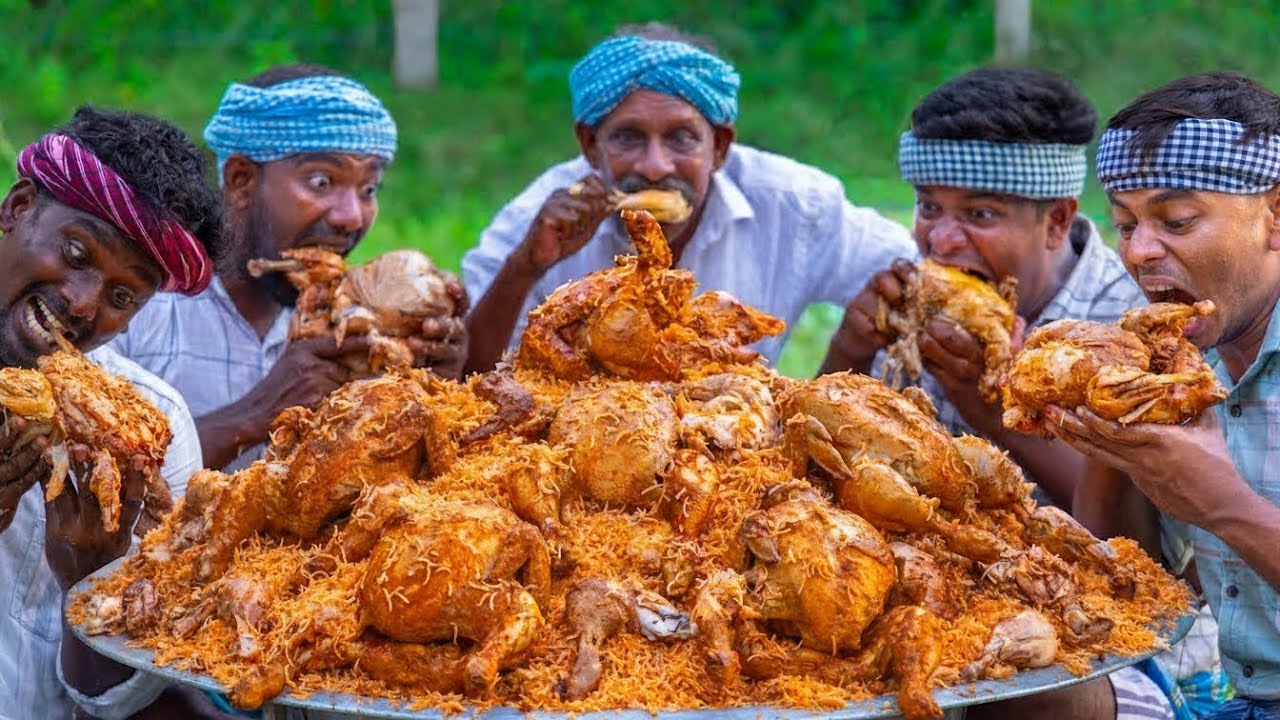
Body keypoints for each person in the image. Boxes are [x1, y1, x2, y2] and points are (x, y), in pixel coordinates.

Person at [461, 23, 914, 374]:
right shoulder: (537, 221)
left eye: (681, 138)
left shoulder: (794, 206)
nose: (655, 166)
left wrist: (852, 345)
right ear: (590, 146)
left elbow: (913, 270)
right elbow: (466, 379)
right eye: (628, 137)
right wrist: (525, 267)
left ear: (719, 147)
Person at [1046, 71, 1280, 720]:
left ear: (1275, 216)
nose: (1141, 252)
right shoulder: (1184, 362)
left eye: (1177, 220)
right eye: (1125, 225)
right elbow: (1127, 585)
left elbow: (1221, 507)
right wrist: (1109, 436)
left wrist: (1224, 503)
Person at [111, 64, 468, 471]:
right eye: (322, 182)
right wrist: (257, 413)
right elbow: (91, 479)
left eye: (368, 189)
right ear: (241, 180)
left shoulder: (361, 327)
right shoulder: (138, 306)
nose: (352, 216)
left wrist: (434, 393)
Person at [822, 66, 1146, 509]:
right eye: (929, 207)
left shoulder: (1125, 325)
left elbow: (1136, 525)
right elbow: (822, 457)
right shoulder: (907, 297)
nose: (941, 241)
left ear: (1057, 221)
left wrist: (993, 409)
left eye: (980, 215)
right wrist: (849, 350)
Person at [0, 107, 232, 719]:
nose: (82, 304)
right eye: (75, 253)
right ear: (17, 207)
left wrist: (92, 581)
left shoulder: (151, 428)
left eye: (122, 296)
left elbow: (109, 700)